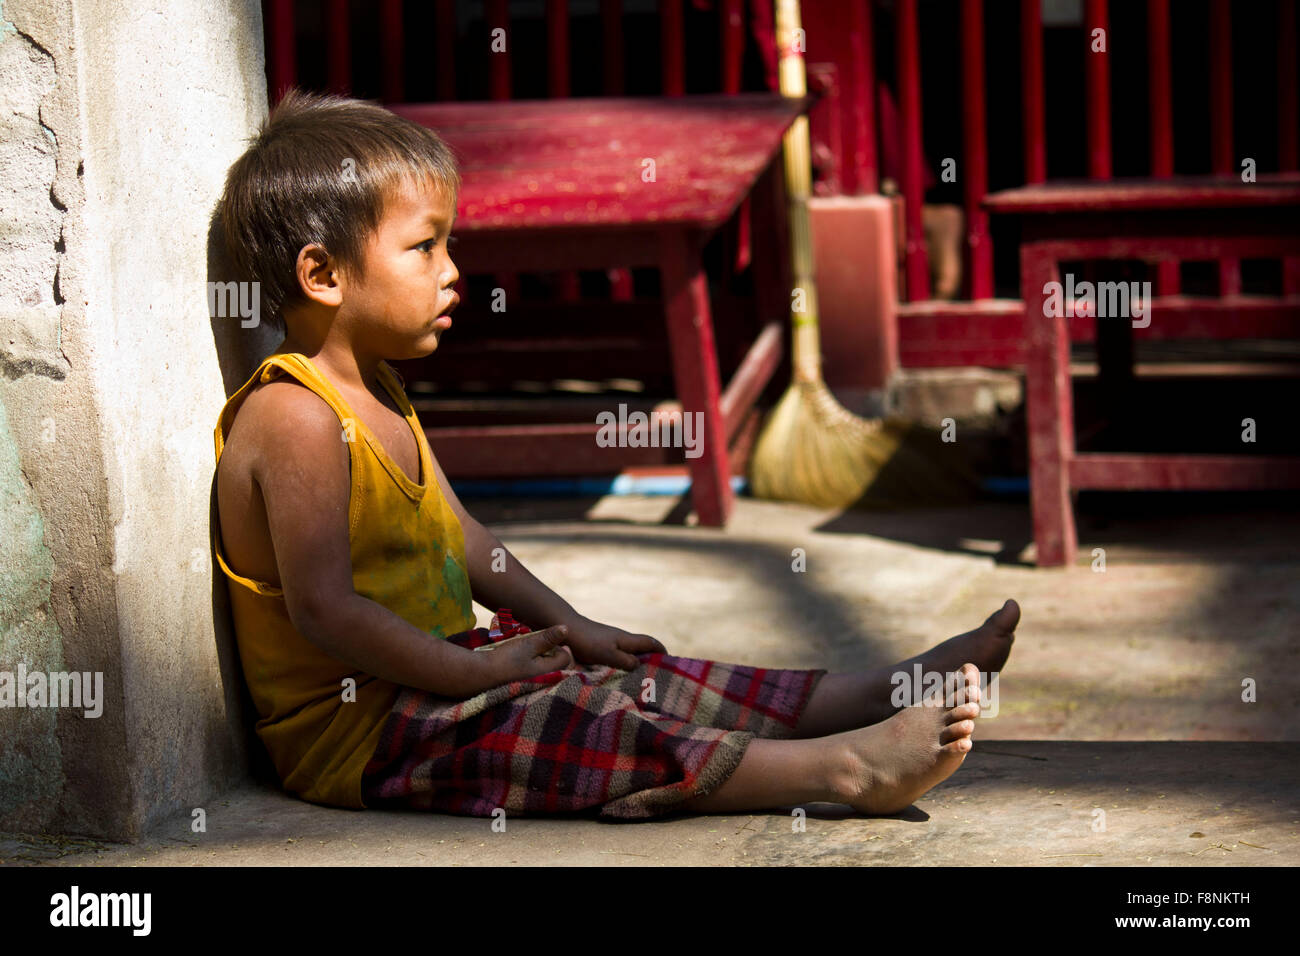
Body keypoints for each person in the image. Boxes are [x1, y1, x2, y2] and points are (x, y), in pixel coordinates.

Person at [212, 89, 1019, 821]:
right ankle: (845, 768)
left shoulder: (378, 387)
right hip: (365, 735)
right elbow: (326, 611)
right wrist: (476, 678)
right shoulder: (294, 416)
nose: (455, 272)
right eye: (425, 248)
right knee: (587, 723)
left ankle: (877, 691)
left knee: (644, 676)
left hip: (442, 684)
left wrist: (577, 626)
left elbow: (467, 540)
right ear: (321, 275)